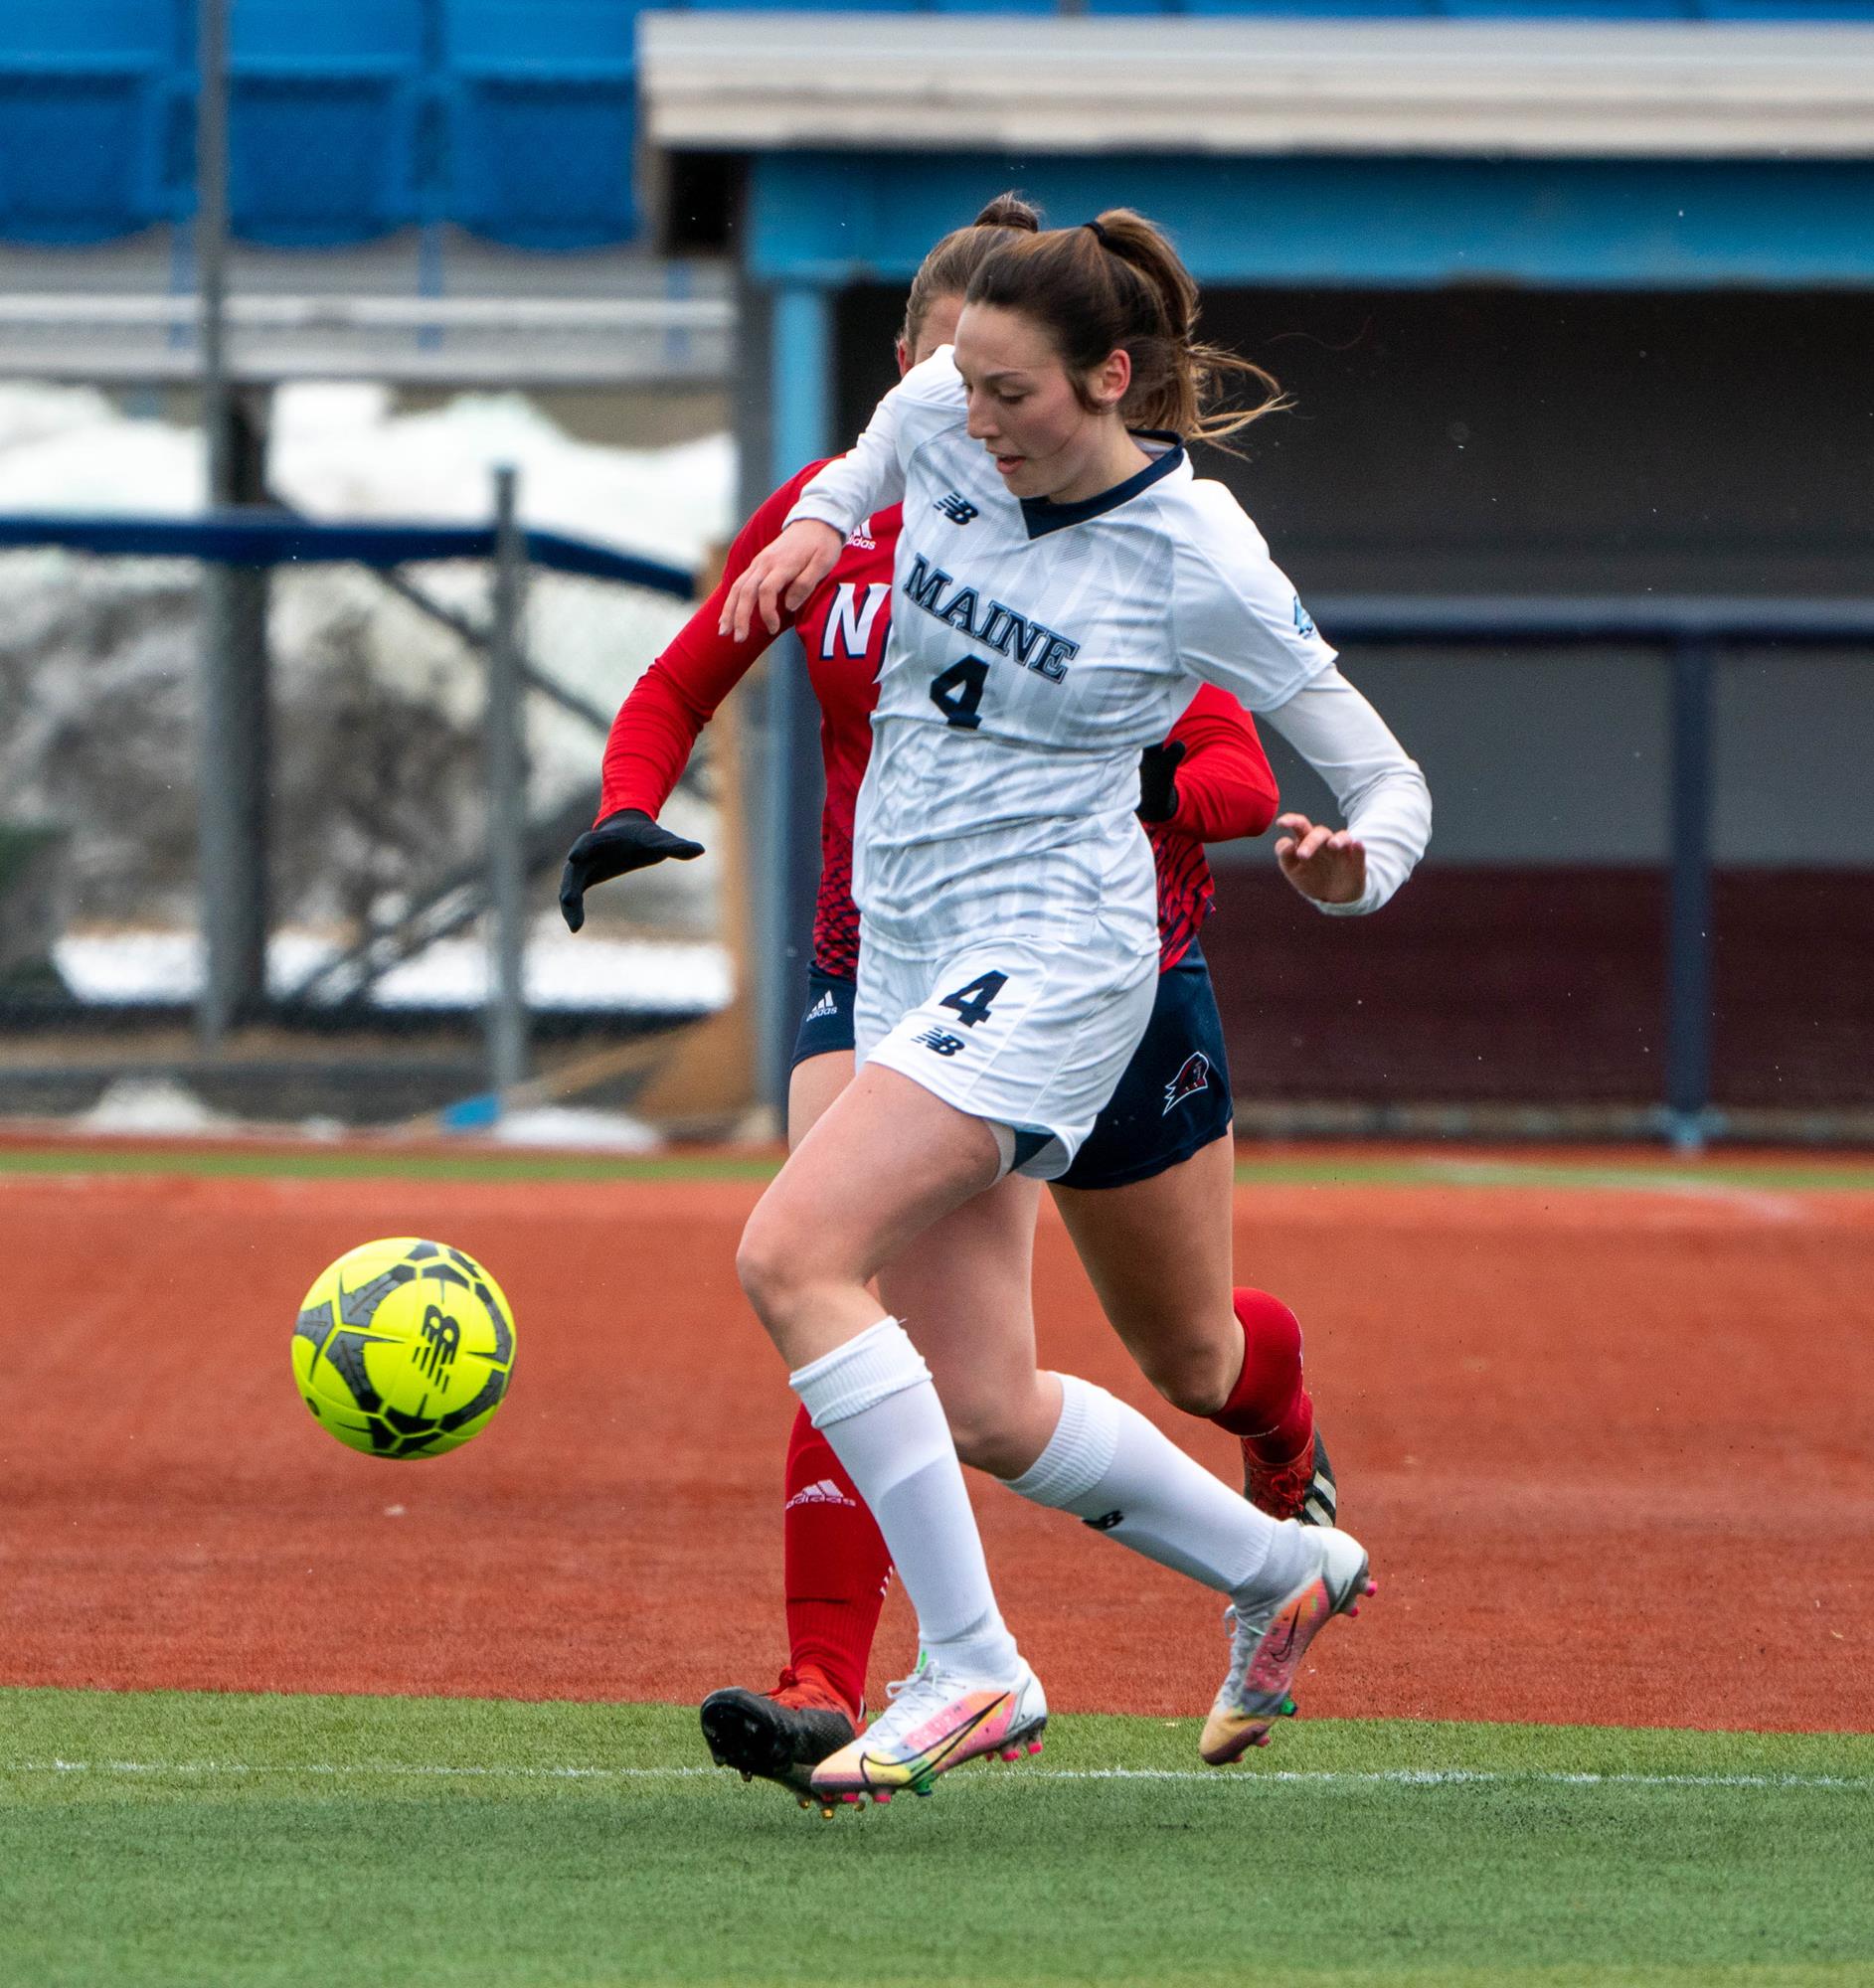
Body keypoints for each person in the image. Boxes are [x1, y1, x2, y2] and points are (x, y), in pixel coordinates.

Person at [600, 205, 1426, 1805]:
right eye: (959, 387)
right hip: (901, 935)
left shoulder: (1199, 552)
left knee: (791, 1252)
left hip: (1054, 947)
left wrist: (1350, 869)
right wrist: (812, 526)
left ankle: (971, 1665)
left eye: (1009, 398)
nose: (971, 423)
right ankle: (1276, 1569)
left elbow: (1382, 776)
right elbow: (870, 453)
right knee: (979, 1398)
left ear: (1111, 381)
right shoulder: (940, 412)